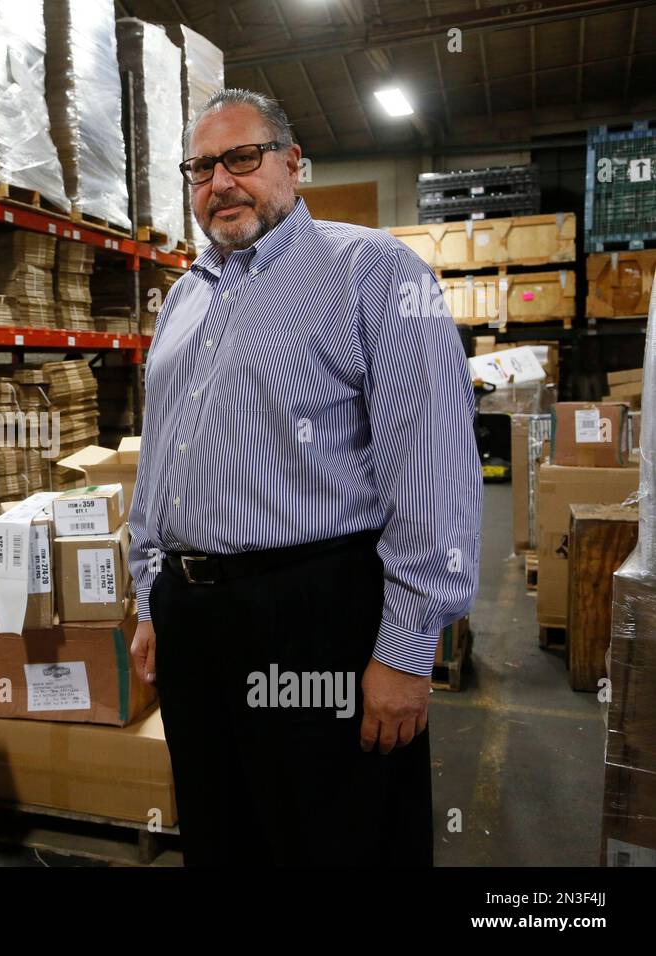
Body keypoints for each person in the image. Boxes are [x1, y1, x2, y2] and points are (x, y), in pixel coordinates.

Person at [127, 88, 482, 866]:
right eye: (200, 168)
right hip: (194, 619)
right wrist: (150, 593)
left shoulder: (374, 273)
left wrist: (407, 648)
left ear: (293, 164)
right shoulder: (185, 298)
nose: (220, 182)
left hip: (314, 615)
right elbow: (163, 459)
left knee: (338, 837)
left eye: (242, 159)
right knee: (223, 833)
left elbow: (432, 468)